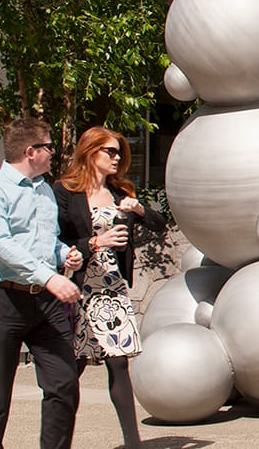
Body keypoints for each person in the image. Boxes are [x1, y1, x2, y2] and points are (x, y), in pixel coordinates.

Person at [0, 116, 83, 449]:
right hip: (2, 299)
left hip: (45, 303)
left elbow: (46, 241)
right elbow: (1, 245)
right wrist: (49, 277)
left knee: (64, 384)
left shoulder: (45, 189)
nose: (54, 153)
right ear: (31, 151)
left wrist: (64, 255)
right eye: (50, 146)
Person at [54, 126, 167, 449]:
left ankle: (133, 443)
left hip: (111, 288)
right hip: (76, 288)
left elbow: (159, 224)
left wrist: (140, 209)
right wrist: (94, 242)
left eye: (119, 152)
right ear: (90, 152)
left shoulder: (120, 194)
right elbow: (54, 239)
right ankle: (58, 441)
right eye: (110, 151)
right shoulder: (64, 191)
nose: (117, 158)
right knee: (68, 370)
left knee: (118, 362)